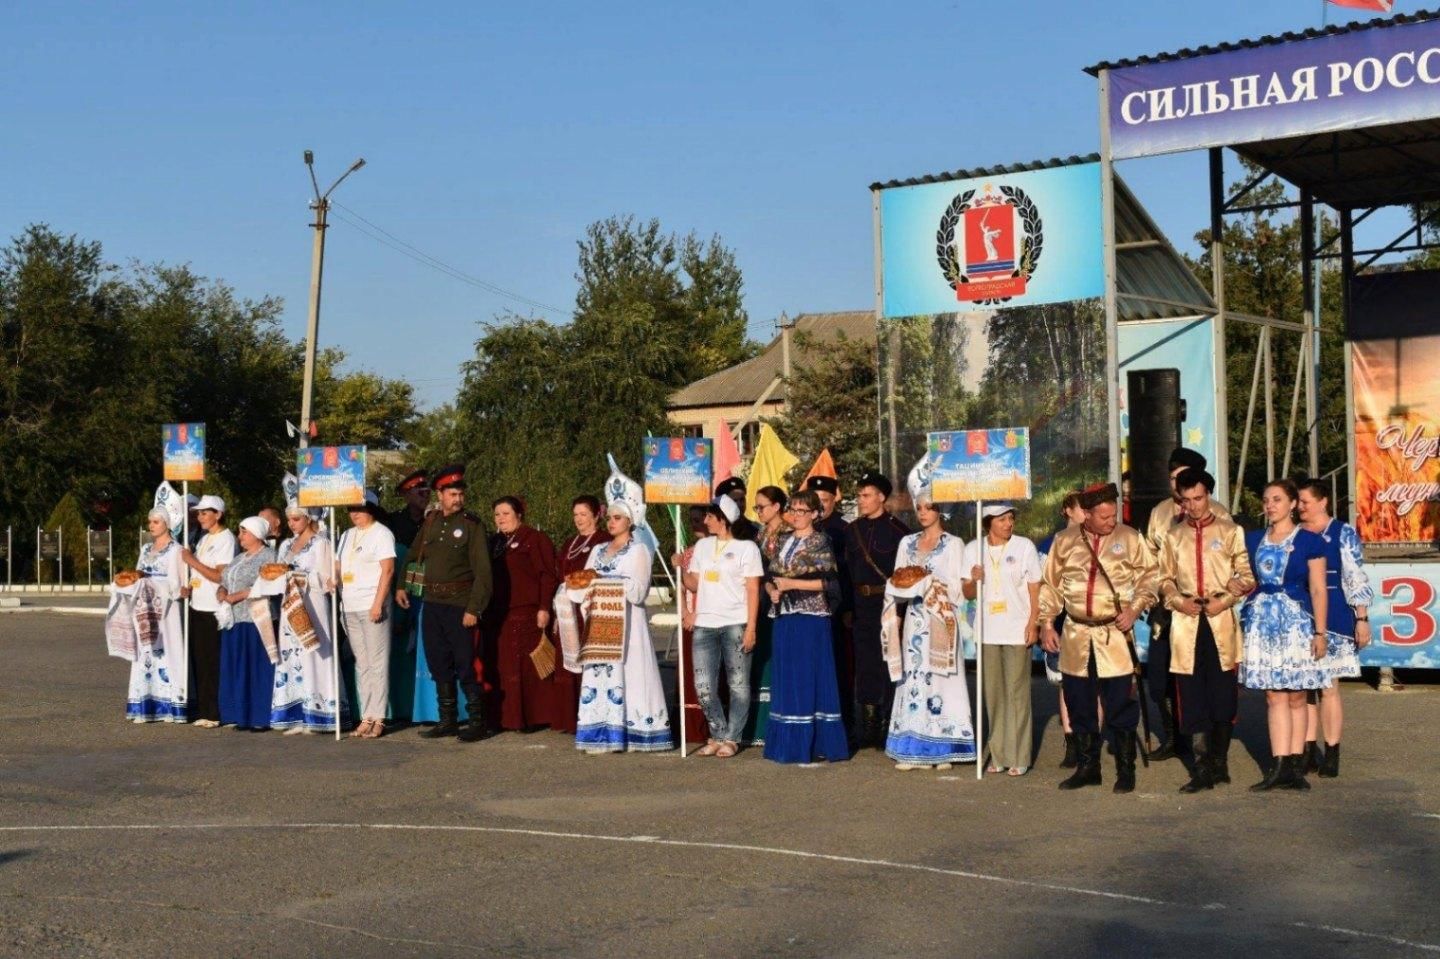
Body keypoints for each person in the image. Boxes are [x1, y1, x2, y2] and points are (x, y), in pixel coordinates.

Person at [1039, 483, 1158, 794]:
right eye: (1103, 516)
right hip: (1076, 633)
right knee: (1078, 702)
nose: (1110, 521)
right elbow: (1051, 584)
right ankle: (1087, 766)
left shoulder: (1130, 538)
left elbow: (1150, 575)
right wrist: (1047, 623)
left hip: (1114, 635)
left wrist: (1134, 609)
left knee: (1121, 702)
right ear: (1086, 515)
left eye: (1113, 515)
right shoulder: (1064, 541)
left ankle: (1125, 769)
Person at [1156, 468, 1255, 793]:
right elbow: (1164, 578)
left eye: (1198, 498)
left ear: (1208, 495)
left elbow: (1247, 576)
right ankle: (1201, 768)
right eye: (1186, 501)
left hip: (1220, 623)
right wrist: (1175, 600)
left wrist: (1224, 600)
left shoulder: (1230, 531)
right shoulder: (1174, 536)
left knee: (1223, 696)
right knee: (1192, 696)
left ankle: (1220, 762)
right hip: (1186, 624)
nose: (1193, 506)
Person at [881, 463, 975, 770]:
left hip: (940, 619)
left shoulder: (954, 544)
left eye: (929, 507)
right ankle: (912, 743)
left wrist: (932, 584)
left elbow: (958, 588)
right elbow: (897, 579)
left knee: (941, 681)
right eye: (919, 507)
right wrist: (905, 591)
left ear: (941, 511)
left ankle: (943, 745)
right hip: (914, 619)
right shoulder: (906, 543)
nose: (922, 512)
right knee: (914, 678)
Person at [1240, 479, 1329, 792]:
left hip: (1295, 621)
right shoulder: (1252, 540)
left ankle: (1295, 764)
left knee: (1296, 694)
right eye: (1266, 500)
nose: (1270, 505)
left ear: (1293, 504)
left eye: (1277, 499)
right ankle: (1278, 766)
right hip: (1263, 620)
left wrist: (1320, 632)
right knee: (1273, 694)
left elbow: (1318, 588)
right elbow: (1244, 577)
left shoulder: (1309, 541)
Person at [395, 464, 494, 743]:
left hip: (460, 604)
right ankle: (447, 720)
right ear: (440, 494)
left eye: (460, 494)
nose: (457, 499)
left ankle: (477, 721)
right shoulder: (431, 522)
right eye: (452, 494)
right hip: (432, 602)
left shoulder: (472, 525)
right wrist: (402, 584)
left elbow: (483, 573)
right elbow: (414, 555)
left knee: (466, 663)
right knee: (439, 662)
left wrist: (474, 608)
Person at [1145, 448, 1232, 762]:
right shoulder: (1159, 512)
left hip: (1205, 612)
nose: (1176, 485)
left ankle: (1206, 749)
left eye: (1182, 478)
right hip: (1166, 610)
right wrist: (1159, 596)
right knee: (1160, 678)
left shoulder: (1219, 514)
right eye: (1172, 479)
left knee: (1204, 679)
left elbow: (1228, 566)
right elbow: (1149, 561)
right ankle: (1173, 738)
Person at [572, 495, 673, 753]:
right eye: (610, 518)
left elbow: (638, 591)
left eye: (617, 518)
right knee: (600, 676)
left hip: (628, 626)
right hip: (600, 625)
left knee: (630, 674)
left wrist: (604, 582)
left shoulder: (638, 550)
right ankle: (601, 730)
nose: (611, 522)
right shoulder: (597, 550)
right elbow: (582, 581)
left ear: (630, 521)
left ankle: (634, 732)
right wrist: (575, 584)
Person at [762, 489, 849, 764]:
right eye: (794, 510)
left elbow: (829, 583)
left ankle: (814, 742)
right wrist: (772, 589)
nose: (797, 516)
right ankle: (786, 742)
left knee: (808, 677)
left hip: (810, 616)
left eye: (803, 511)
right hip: (784, 614)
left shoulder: (820, 541)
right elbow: (770, 575)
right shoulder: (783, 539)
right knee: (786, 676)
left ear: (814, 513)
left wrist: (792, 584)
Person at [1297, 478, 1374, 778]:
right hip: (1301, 616)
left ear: (1322, 501)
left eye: (1305, 501)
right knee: (1303, 689)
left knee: (1328, 688)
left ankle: (1331, 751)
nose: (1300, 507)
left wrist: (1362, 618)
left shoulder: (1343, 533)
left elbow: (1355, 577)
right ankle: (1305, 751)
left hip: (1335, 615)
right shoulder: (1295, 534)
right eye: (1299, 502)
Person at [963, 503, 1042, 776]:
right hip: (987, 631)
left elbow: (1034, 590)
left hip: (1017, 629)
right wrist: (974, 580)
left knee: (1017, 692)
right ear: (988, 522)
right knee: (993, 693)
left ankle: (1019, 754)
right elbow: (968, 592)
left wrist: (1034, 623)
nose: (1009, 524)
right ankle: (998, 752)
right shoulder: (973, 548)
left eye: (1011, 518)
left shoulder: (1024, 547)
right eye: (1002, 519)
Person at [682, 496, 763, 758]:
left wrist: (751, 627)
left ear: (723, 518)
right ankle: (717, 733)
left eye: (709, 516)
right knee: (704, 685)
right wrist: (681, 569)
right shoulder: (702, 546)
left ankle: (732, 738)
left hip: (735, 622)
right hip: (705, 623)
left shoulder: (747, 548)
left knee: (738, 684)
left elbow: (753, 589)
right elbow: (694, 584)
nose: (704, 520)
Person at [844, 472, 910, 750]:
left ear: (881, 497)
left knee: (888, 664)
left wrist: (900, 609)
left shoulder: (898, 531)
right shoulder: (852, 530)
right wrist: (847, 606)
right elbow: (846, 571)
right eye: (859, 495)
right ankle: (868, 726)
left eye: (867, 495)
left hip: (887, 604)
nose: (861, 500)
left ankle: (887, 724)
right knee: (866, 665)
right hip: (860, 604)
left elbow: (905, 574)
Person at [485, 495, 560, 733]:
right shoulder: (495, 542)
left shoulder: (534, 539)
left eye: (506, 513)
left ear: (519, 514)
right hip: (501, 613)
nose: (501, 518)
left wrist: (544, 607)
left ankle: (535, 716)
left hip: (528, 611)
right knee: (506, 666)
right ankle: (509, 718)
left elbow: (547, 575)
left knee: (530, 666)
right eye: (497, 514)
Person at [269, 504, 344, 734]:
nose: (291, 524)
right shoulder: (286, 545)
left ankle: (320, 712)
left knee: (315, 654)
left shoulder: (321, 543)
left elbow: (328, 578)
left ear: (307, 519)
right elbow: (278, 572)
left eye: (296, 519)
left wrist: (300, 576)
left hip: (312, 604)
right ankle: (298, 714)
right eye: (289, 519)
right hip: (291, 606)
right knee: (293, 655)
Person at [338, 490, 396, 739]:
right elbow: (339, 566)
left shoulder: (381, 533)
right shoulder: (346, 535)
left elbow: (388, 570)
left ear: (371, 509)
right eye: (351, 509)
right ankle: (366, 715)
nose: (355, 514)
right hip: (349, 605)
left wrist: (378, 603)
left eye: (360, 509)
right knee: (362, 664)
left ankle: (379, 716)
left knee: (377, 663)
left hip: (372, 604)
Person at [123, 508, 188, 722]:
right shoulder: (145, 549)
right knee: (146, 653)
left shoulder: (177, 550)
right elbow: (137, 574)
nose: (151, 525)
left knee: (167, 651)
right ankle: (145, 703)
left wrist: (155, 584)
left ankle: (170, 705)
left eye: (156, 522)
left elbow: (177, 583)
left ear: (167, 524)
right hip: (145, 608)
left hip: (166, 610)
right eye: (150, 522)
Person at [553, 495, 610, 734]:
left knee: (590, 660)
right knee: (568, 661)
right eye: (575, 515)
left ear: (597, 514)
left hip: (589, 607)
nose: (579, 519)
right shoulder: (570, 542)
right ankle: (568, 716)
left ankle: (593, 714)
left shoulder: (603, 541)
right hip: (568, 610)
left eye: (583, 514)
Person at [1039, 491, 1088, 768]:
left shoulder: (1096, 540)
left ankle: (1090, 740)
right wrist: (1045, 624)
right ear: (1068, 510)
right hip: (1061, 624)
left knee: (1092, 684)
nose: (1087, 512)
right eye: (1082, 507)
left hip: (1091, 622)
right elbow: (1043, 588)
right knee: (1065, 684)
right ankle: (1071, 743)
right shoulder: (1050, 544)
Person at [216, 516, 277, 730]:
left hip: (255, 618)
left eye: (244, 532)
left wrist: (238, 595)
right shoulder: (239, 557)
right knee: (235, 667)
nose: (240, 536)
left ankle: (259, 716)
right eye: (240, 532)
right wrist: (222, 591)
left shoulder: (268, 556)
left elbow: (269, 584)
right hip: (233, 619)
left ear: (257, 535)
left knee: (255, 667)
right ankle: (238, 714)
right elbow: (224, 580)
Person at [804, 473, 853, 741]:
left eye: (825, 500)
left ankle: (842, 724)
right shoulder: (803, 528)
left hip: (834, 608)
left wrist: (846, 608)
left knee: (837, 668)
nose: (821, 506)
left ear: (835, 499)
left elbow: (846, 574)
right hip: (807, 608)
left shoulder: (844, 530)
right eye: (816, 501)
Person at [180, 495, 235, 728]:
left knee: (212, 662)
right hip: (197, 604)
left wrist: (192, 562)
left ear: (218, 514)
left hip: (213, 608)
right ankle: (203, 708)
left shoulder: (226, 538)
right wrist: (188, 587)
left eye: (205, 512)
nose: (200, 516)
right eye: (199, 513)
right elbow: (199, 575)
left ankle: (215, 712)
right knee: (199, 660)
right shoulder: (203, 539)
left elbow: (219, 575)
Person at [744, 485, 790, 745]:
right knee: (759, 656)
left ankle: (775, 720)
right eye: (756, 507)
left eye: (761, 506)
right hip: (759, 599)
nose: (758, 511)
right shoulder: (760, 532)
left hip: (779, 598)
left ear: (776, 506)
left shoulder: (788, 532)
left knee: (775, 657)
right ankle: (757, 725)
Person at [672, 505, 715, 746]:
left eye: (701, 519)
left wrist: (698, 613)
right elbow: (680, 587)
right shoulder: (687, 553)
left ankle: (712, 726)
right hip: (689, 619)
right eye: (693, 519)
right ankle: (690, 727)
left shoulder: (716, 551)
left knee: (710, 676)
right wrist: (686, 612)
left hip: (710, 618)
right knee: (689, 675)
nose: (696, 523)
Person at [715, 476, 757, 541]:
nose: (739, 504)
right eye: (734, 501)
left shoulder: (755, 529)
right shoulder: (713, 530)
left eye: (742, 499)